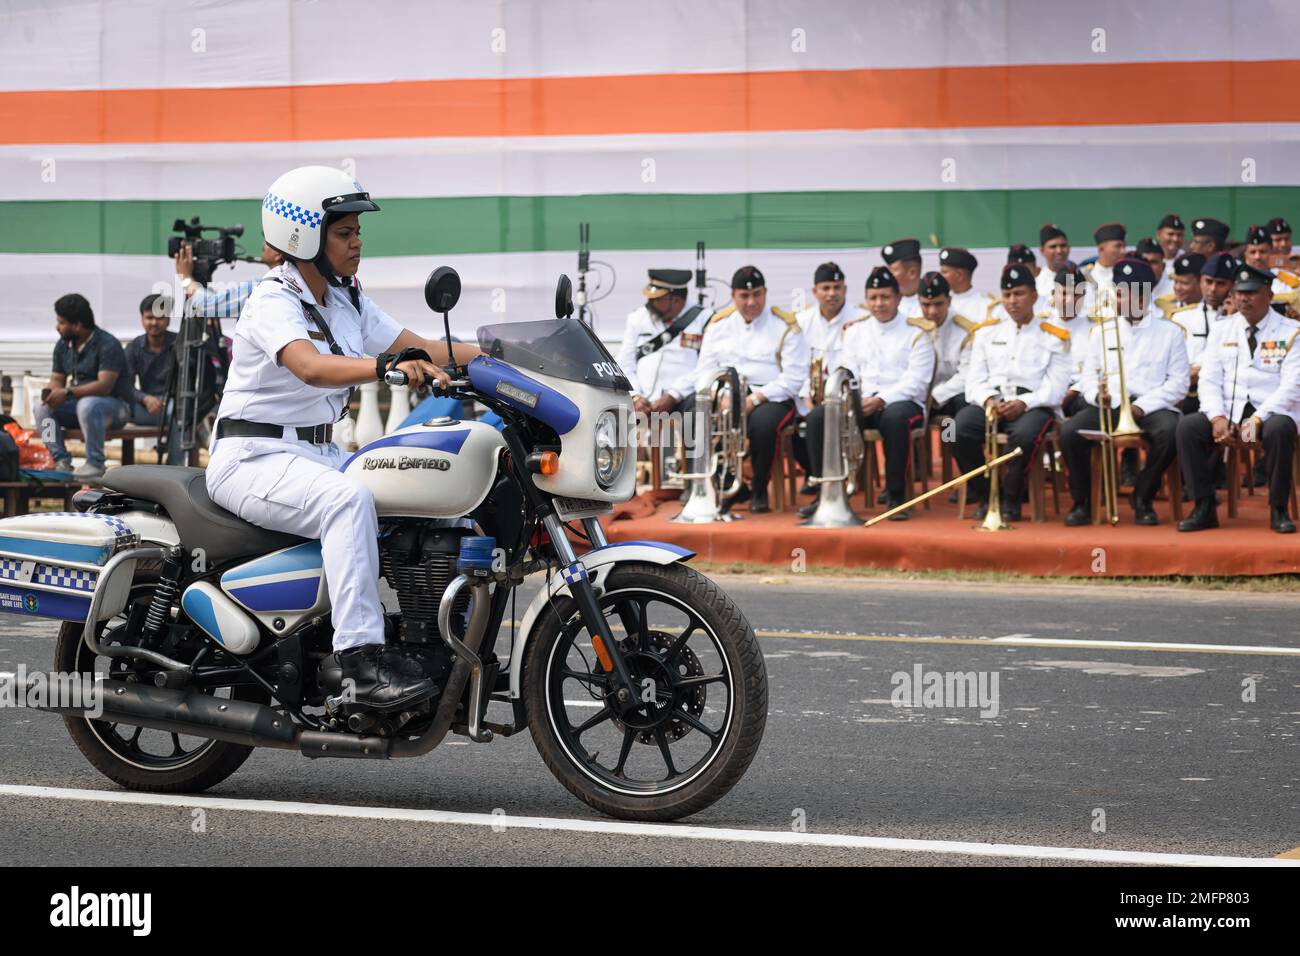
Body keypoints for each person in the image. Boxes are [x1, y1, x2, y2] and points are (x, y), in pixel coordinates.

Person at [204, 165, 483, 712]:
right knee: (348, 500)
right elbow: (309, 366)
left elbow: (424, 345)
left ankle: (435, 641)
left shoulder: (345, 298)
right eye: (344, 233)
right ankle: (356, 659)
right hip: (253, 456)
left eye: (358, 232)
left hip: (316, 453)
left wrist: (509, 354)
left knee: (426, 496)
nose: (357, 244)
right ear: (303, 236)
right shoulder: (273, 301)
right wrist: (383, 365)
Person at [1059, 258, 1189, 525]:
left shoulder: (1170, 333)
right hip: (1110, 405)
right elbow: (1088, 376)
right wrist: (1098, 396)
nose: (1120, 301)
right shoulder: (1101, 332)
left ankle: (1142, 496)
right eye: (1118, 294)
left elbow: (1178, 384)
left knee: (1172, 432)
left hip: (1150, 406)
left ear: (1144, 297)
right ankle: (1082, 502)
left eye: (1127, 295)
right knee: (1070, 433)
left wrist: (1143, 406)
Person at [797, 267, 934, 520]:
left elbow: (917, 382)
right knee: (818, 418)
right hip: (860, 403)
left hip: (901, 403)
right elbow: (848, 371)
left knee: (895, 419)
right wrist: (853, 400)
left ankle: (896, 495)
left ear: (898, 298)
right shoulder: (856, 331)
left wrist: (881, 399)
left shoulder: (917, 333)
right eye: (873, 298)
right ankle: (827, 493)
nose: (878, 304)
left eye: (885, 297)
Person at [1175, 263, 1300, 533]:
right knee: (1188, 427)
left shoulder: (1291, 331)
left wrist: (1256, 419)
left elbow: (1292, 387)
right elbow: (1209, 378)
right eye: (1240, 291)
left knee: (1280, 429)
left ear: (1269, 294)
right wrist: (1217, 417)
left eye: (1252, 292)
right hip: (1231, 413)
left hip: (1270, 414)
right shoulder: (1223, 329)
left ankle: (1278, 509)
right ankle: (1204, 505)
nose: (1244, 298)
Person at [953, 264, 1071, 522]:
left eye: (1019, 294)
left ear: (1033, 296)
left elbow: (1056, 388)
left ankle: (1011, 498)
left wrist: (1024, 402)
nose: (1012, 301)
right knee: (955, 428)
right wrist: (989, 400)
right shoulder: (986, 331)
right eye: (1007, 295)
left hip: (1033, 404)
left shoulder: (1053, 336)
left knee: (1025, 436)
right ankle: (985, 496)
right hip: (993, 402)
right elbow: (973, 381)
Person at [693, 265, 807, 513]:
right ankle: (721, 485)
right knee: (698, 415)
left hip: (772, 395)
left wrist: (754, 399)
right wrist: (720, 395)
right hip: (728, 393)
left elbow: (795, 378)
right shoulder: (718, 325)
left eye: (757, 294)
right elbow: (704, 370)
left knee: (762, 426)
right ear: (733, 296)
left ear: (765, 292)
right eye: (744, 296)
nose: (752, 301)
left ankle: (758, 489)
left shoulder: (785, 325)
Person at [32, 293, 134, 479]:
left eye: (61, 322)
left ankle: (95, 463)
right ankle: (60, 460)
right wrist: (52, 393)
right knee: (41, 409)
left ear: (77, 325)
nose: (57, 327)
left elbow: (105, 386)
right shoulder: (63, 345)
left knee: (88, 404)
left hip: (114, 408)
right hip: (79, 408)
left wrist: (68, 392)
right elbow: (57, 378)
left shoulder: (107, 344)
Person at [616, 269, 707, 417]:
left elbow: (706, 366)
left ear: (676, 300)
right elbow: (625, 362)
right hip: (641, 401)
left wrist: (674, 394)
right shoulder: (637, 318)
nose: (649, 303)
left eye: (657, 299)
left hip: (684, 399)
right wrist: (636, 396)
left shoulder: (704, 319)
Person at [1170, 251, 1235, 412]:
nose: (1212, 289)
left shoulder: (1242, 319)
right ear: (1200, 281)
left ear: (1232, 285)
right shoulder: (1181, 318)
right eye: (1208, 282)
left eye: (1220, 283)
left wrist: (1232, 318)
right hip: (1190, 392)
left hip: (1230, 392)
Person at [124, 293, 185, 465]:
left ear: (168, 319)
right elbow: (124, 385)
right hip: (146, 408)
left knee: (179, 412)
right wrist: (145, 398)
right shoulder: (134, 347)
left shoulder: (181, 343)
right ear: (142, 319)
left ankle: (175, 469)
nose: (154, 323)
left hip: (174, 406)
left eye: (159, 318)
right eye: (149, 317)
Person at [176, 241, 285, 318]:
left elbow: (207, 305)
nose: (263, 244)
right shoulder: (289, 281)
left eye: (268, 240)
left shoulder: (261, 288)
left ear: (278, 254)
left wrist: (186, 279)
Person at [938, 247, 988, 327]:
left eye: (944, 272)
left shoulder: (984, 305)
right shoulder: (940, 302)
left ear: (959, 275)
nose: (940, 276)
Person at [881, 238, 924, 317]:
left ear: (912, 273)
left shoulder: (936, 302)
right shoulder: (885, 303)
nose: (888, 275)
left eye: (894, 270)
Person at [1037, 223, 1071, 298]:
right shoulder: (1037, 283)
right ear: (1042, 251)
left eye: (1063, 246)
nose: (1059, 251)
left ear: (1069, 249)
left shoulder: (1081, 279)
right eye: (1053, 246)